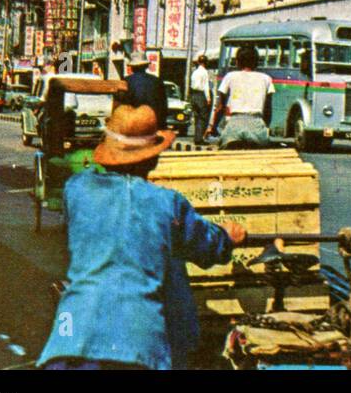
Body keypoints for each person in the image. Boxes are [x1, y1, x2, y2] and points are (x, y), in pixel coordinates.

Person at [37, 104, 246, 369]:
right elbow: (207, 246)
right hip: (138, 346)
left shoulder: (76, 189)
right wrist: (228, 237)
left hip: (70, 339)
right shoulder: (167, 204)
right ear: (153, 158)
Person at [206, 45, 274, 148]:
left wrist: (212, 127)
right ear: (256, 62)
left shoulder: (230, 76)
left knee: (226, 152)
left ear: (237, 62)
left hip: (234, 125)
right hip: (256, 124)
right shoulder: (266, 79)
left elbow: (220, 107)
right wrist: (264, 127)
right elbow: (268, 109)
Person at [122, 53, 167, 129]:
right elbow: (163, 105)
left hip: (132, 122)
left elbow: (121, 105)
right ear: (146, 66)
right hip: (152, 122)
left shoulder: (125, 81)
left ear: (132, 67)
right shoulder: (156, 80)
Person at [189, 54, 212, 143]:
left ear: (198, 62)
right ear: (206, 63)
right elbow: (206, 86)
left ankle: (196, 137)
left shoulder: (195, 72)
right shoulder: (204, 72)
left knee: (196, 117)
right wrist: (208, 98)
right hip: (201, 95)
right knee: (203, 118)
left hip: (194, 95)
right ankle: (199, 139)